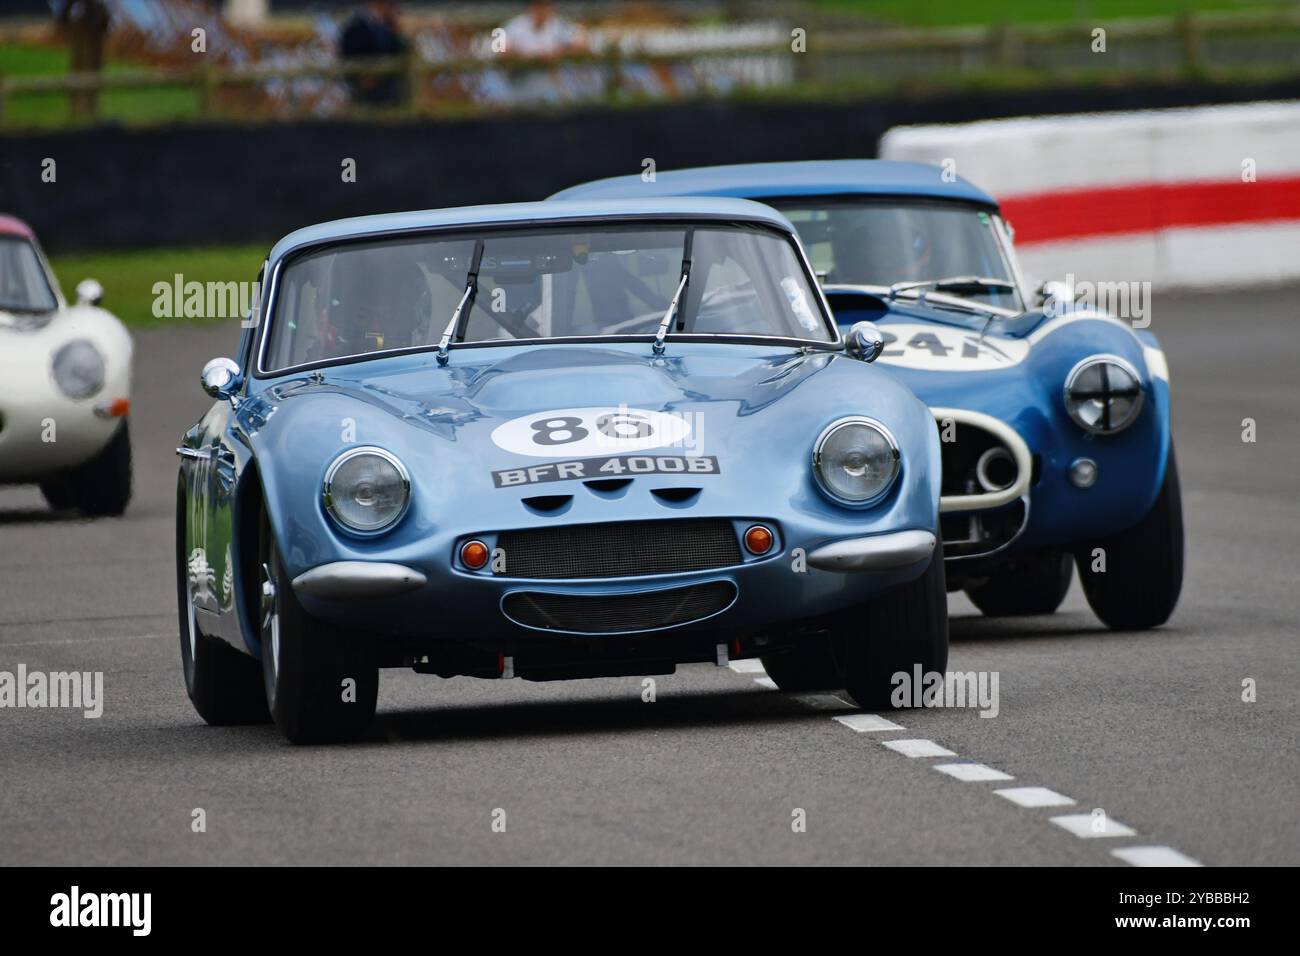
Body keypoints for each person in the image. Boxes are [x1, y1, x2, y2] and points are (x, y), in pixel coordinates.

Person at [339, 0, 408, 107]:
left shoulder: (389, 27)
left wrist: (397, 32)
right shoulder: (355, 28)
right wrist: (361, 78)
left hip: (389, 90)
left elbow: (400, 54)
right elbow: (348, 58)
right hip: (366, 92)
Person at [54, 0, 112, 119]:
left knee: (95, 69)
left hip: (97, 31)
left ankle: (92, 106)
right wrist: (64, 22)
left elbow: (105, 11)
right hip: (82, 30)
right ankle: (77, 106)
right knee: (79, 68)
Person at [498, 1, 587, 59]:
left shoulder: (560, 24)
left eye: (546, 5)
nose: (542, 10)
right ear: (531, 6)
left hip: (551, 80)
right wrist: (523, 55)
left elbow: (580, 43)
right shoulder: (514, 25)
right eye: (538, 5)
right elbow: (500, 49)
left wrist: (561, 51)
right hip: (520, 79)